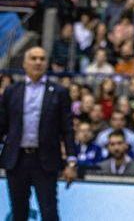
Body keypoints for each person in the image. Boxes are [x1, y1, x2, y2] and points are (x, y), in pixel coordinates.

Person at [0, 47, 77, 221]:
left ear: (46, 63)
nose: (38, 62)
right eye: (33, 58)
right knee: (18, 213)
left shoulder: (59, 92)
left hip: (46, 160)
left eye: (42, 59)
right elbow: (2, 126)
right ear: (24, 63)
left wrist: (71, 161)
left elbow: (67, 129)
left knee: (49, 212)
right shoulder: (12, 91)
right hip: (17, 160)